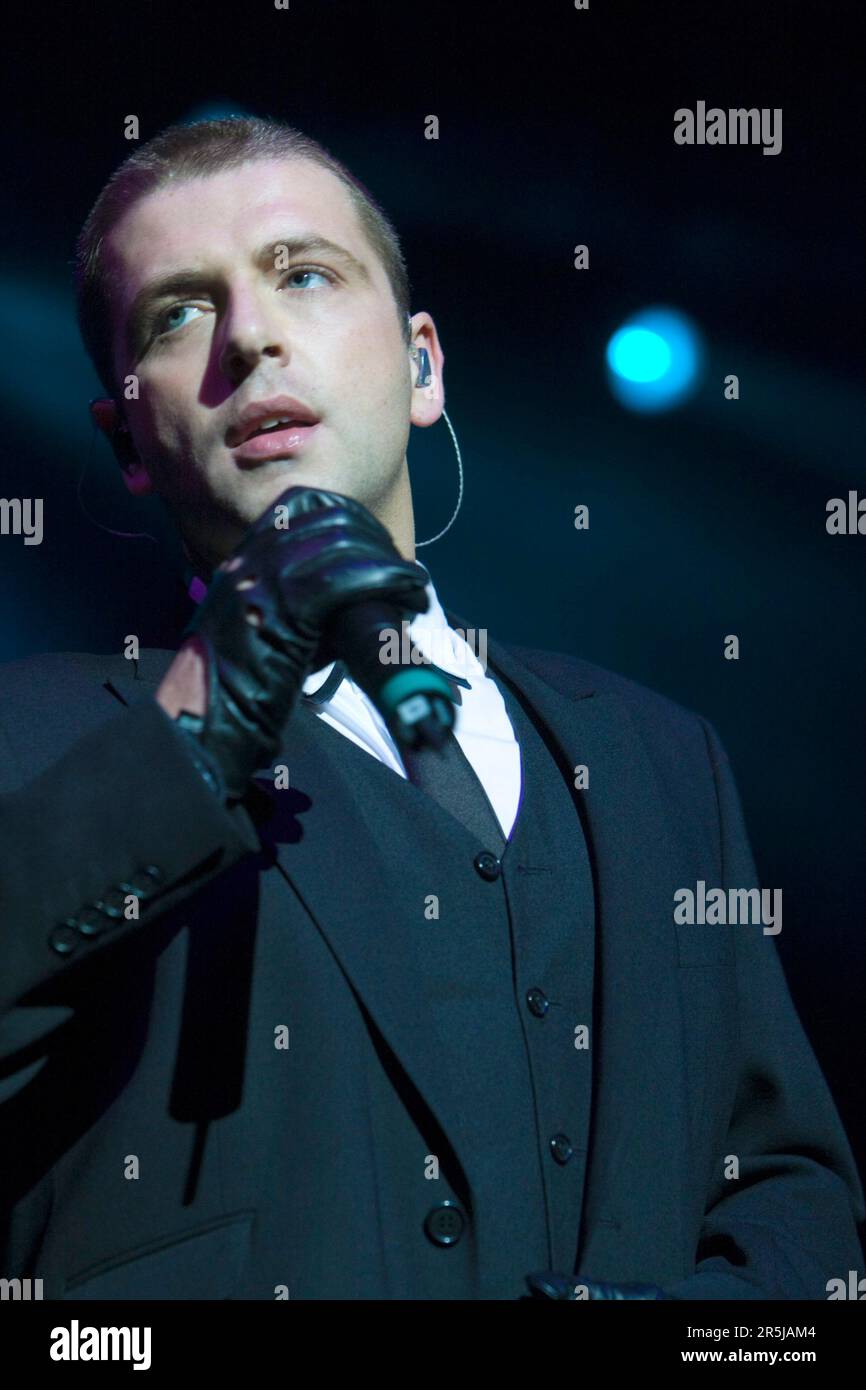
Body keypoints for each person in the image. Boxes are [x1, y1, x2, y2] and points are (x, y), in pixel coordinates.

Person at [0, 117, 862, 1302]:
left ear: (422, 366)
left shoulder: (659, 757)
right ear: (128, 440)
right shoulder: (38, 736)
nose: (251, 337)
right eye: (178, 315)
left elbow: (790, 1198)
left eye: (303, 275)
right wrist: (197, 725)